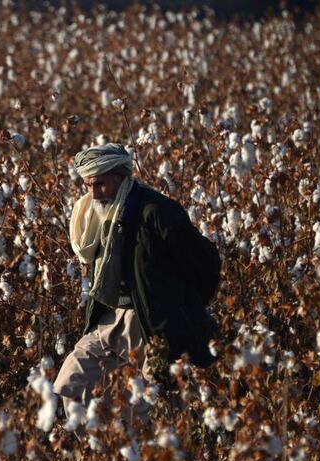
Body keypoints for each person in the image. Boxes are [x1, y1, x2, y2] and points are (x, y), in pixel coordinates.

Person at [53, 143, 217, 421]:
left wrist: (181, 309)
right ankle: (99, 446)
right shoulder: (91, 215)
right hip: (109, 319)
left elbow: (204, 263)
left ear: (121, 177)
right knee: (72, 382)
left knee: (149, 408)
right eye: (88, 185)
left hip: (152, 325)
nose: (93, 193)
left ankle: (144, 447)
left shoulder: (158, 212)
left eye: (100, 184)